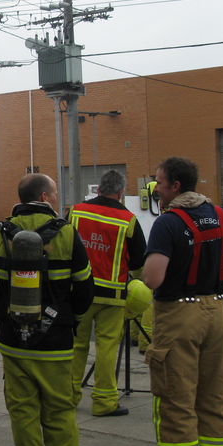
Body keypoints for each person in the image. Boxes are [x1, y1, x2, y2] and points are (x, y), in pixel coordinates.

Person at [0, 173, 93, 446]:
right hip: (56, 343)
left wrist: (0, 309)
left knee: (23, 415)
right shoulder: (67, 233)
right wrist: (67, 318)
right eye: (54, 192)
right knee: (60, 413)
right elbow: (85, 290)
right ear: (44, 196)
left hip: (13, 342)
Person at [141, 156, 223, 446]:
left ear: (175, 186)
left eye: (159, 183)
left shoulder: (168, 223)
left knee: (178, 409)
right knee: (214, 405)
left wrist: (141, 274)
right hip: (215, 314)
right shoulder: (222, 215)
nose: (156, 190)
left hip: (179, 317)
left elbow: (153, 278)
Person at [69, 170, 146, 416]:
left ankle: (68, 397)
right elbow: (137, 262)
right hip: (112, 298)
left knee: (76, 346)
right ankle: (104, 402)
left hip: (78, 293)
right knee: (107, 347)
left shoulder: (76, 211)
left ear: (98, 189)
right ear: (121, 192)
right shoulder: (128, 219)